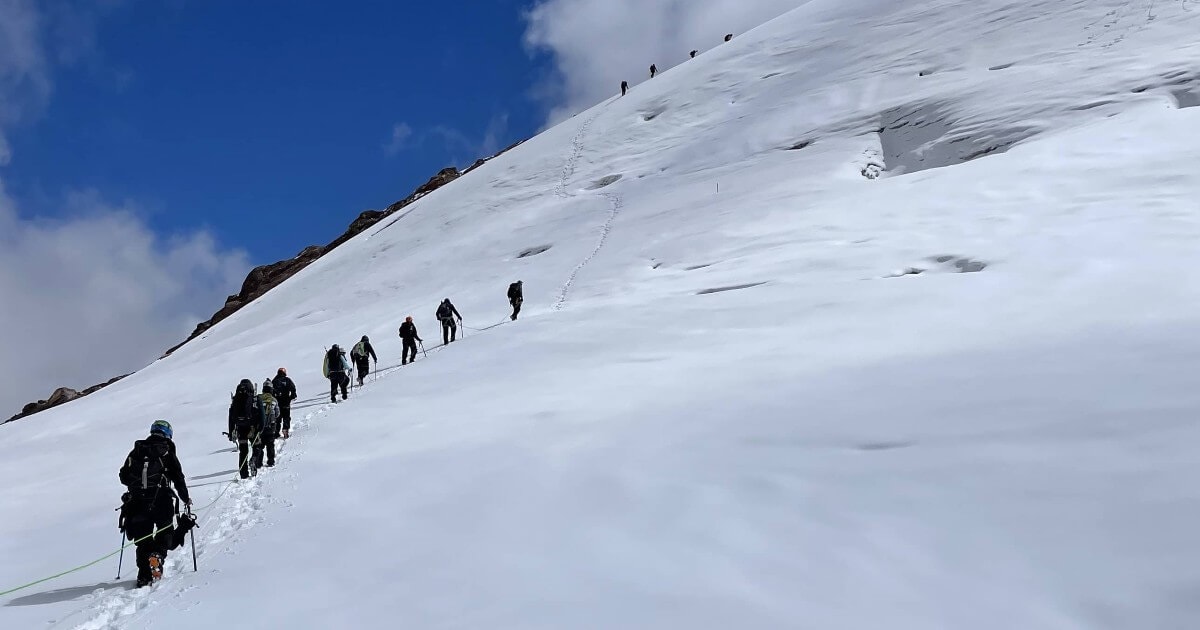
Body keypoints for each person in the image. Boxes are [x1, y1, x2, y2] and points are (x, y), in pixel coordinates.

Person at [118, 420, 192, 588]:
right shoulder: (166, 451)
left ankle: (144, 575)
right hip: (161, 500)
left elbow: (123, 476)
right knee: (165, 532)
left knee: (142, 539)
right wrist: (185, 498)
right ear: (168, 434)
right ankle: (157, 555)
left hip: (136, 502)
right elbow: (178, 478)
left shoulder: (137, 450)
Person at [228, 379, 264, 479]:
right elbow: (262, 414)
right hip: (253, 428)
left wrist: (231, 431)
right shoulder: (255, 398)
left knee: (243, 451)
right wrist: (261, 427)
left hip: (240, 429)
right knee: (257, 446)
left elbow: (231, 417)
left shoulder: (235, 399)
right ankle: (254, 460)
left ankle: (243, 475)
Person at [258, 379, 280, 468]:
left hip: (260, 426)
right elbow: (277, 414)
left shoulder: (258, 398)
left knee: (259, 445)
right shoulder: (274, 400)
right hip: (271, 426)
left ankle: (258, 462)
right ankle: (271, 461)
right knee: (270, 444)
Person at [271, 367, 297, 439]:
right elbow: (293, 388)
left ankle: (276, 432)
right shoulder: (287, 380)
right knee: (286, 417)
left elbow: (271, 391)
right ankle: (285, 429)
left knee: (277, 418)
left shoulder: (274, 381)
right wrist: (292, 396)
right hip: (286, 402)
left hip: (277, 402)